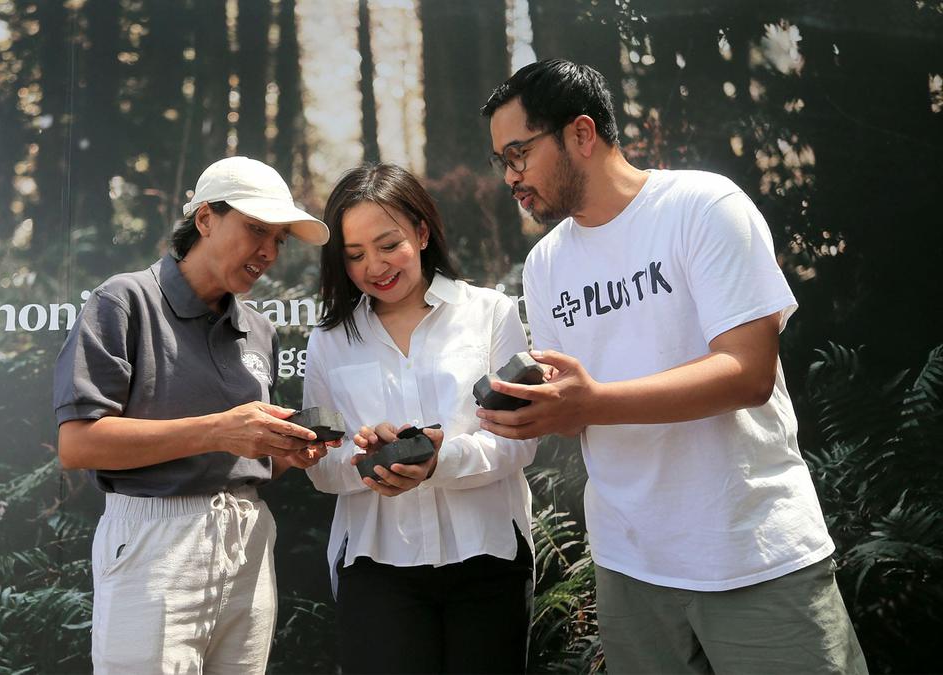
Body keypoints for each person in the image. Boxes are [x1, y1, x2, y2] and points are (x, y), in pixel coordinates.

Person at [478, 59, 866, 673]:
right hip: (630, 569)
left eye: (519, 153)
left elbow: (747, 371)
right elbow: (573, 399)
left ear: (581, 133)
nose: (510, 176)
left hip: (750, 552)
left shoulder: (702, 206)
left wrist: (594, 401)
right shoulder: (545, 263)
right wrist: (543, 411)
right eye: (502, 160)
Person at [53, 156, 335, 675]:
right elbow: (78, 445)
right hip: (153, 540)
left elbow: (244, 461)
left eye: (279, 239)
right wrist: (220, 430)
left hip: (248, 536)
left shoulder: (259, 329)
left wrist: (287, 454)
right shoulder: (124, 301)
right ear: (205, 219)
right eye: (256, 230)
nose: (269, 252)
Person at [303, 163, 536, 674]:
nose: (375, 266)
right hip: (376, 567)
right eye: (356, 254)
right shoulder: (328, 341)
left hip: (487, 555)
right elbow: (320, 465)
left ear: (422, 232)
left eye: (389, 245)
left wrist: (438, 460)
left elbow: (519, 441)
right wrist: (368, 461)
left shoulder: (490, 313)